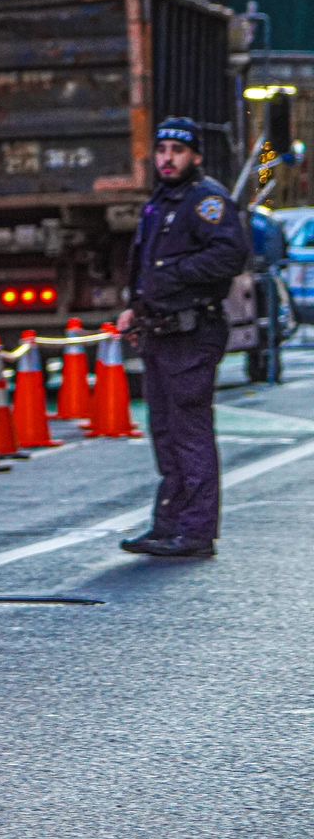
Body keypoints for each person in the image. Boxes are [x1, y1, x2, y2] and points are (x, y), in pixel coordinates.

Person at [116, 116, 247, 559]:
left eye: (177, 151)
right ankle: (168, 523)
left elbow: (229, 255)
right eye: (161, 151)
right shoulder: (162, 200)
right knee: (165, 434)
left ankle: (195, 531)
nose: (167, 159)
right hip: (160, 334)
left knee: (189, 435)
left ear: (195, 156)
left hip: (192, 334)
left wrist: (173, 278)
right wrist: (137, 306)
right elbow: (146, 266)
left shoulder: (206, 201)